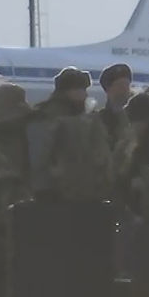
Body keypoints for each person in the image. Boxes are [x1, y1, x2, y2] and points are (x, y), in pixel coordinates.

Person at [28, 67, 112, 203]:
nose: (85, 95)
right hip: (55, 192)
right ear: (67, 91)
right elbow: (39, 156)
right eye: (81, 90)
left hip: (82, 190)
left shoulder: (84, 116)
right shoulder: (47, 116)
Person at [98, 63, 134, 148]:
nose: (125, 90)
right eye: (120, 86)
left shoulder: (136, 114)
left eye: (127, 85)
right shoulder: (99, 119)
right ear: (108, 89)